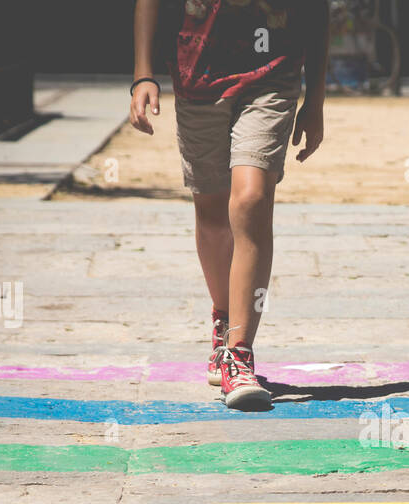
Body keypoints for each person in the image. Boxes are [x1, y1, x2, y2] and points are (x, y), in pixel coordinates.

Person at [130, 0, 328, 410]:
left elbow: (316, 10)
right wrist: (142, 74)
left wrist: (317, 99)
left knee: (252, 198)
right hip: (197, 77)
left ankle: (239, 353)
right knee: (212, 213)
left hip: (274, 74)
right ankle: (223, 318)